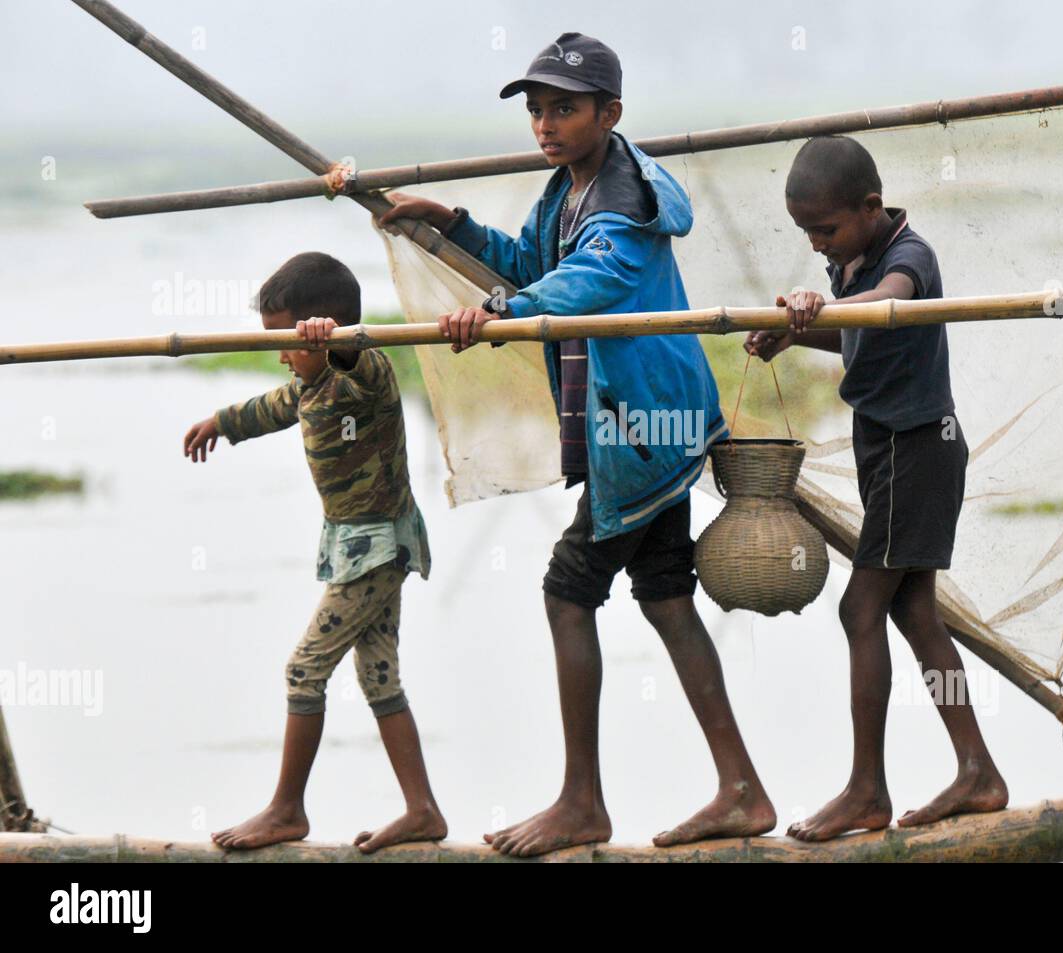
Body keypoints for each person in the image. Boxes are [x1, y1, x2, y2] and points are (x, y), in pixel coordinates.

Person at [379, 33, 774, 857]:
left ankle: (582, 801)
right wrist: (450, 222)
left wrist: (499, 315)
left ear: (610, 113)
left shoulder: (625, 197)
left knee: (568, 589)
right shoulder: (569, 186)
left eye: (564, 108)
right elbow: (530, 263)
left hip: (646, 420)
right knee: (665, 593)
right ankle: (742, 789)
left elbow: (589, 280)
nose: (546, 124)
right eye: (537, 110)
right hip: (637, 416)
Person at [746, 136, 1008, 841]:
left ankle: (867, 789)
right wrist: (794, 335)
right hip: (892, 448)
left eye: (824, 230)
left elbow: (887, 305)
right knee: (914, 613)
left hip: (916, 451)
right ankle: (978, 770)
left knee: (861, 608)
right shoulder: (853, 258)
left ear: (870, 207)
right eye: (807, 234)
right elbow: (861, 333)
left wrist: (822, 307)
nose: (817, 246)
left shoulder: (906, 258)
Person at [182, 251, 444, 853]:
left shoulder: (363, 372)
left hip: (378, 548)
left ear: (324, 334)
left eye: (290, 342)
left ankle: (286, 809)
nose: (282, 355)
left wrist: (337, 343)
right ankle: (423, 810)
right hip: (356, 547)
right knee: (379, 678)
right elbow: (269, 407)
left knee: (304, 669)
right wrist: (218, 422)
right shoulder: (309, 384)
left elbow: (357, 357)